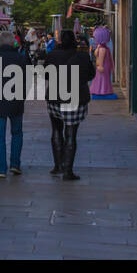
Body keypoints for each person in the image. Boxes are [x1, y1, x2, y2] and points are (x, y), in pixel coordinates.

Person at [45, 29, 96, 180]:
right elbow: (91, 75)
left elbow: (45, 74)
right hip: (75, 98)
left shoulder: (52, 55)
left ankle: (57, 166)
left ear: (60, 40)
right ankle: (68, 171)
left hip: (55, 97)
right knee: (71, 134)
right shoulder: (82, 56)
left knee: (56, 130)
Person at [0, 28, 28, 177]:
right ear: (13, 43)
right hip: (16, 101)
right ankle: (15, 164)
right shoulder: (21, 59)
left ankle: (1, 169)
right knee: (17, 133)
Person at [90, 27, 115, 98]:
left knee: (102, 79)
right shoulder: (102, 48)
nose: (94, 39)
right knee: (101, 78)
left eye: (95, 38)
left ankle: (102, 91)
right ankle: (102, 90)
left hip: (102, 66)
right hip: (103, 66)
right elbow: (95, 54)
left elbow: (100, 58)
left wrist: (100, 65)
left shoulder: (102, 49)